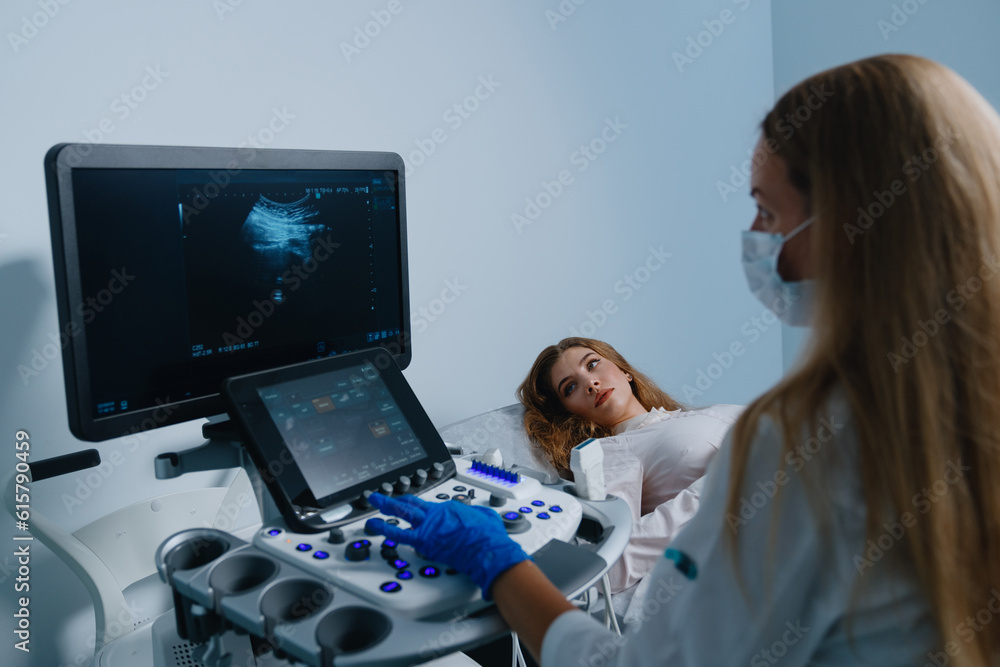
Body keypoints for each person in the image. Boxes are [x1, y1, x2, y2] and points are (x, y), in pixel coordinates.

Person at [367, 54, 1000, 665]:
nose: (756, 236)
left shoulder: (796, 435)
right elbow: (621, 552)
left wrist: (499, 564)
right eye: (569, 387)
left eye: (768, 211)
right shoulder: (617, 452)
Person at [517, 337, 743, 595]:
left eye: (592, 365)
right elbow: (612, 565)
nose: (591, 383)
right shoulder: (611, 451)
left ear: (625, 372)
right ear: (569, 412)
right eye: (570, 388)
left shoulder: (708, 412)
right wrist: (719, 484)